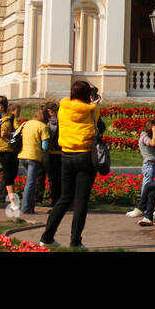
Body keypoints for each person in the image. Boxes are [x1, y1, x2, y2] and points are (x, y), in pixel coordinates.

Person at [39, 81, 105, 248]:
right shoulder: (93, 111)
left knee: (64, 198)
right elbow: (100, 128)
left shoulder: (62, 109)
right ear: (87, 95)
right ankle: (75, 241)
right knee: (81, 200)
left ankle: (46, 237)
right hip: (85, 155)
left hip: (66, 155)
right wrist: (94, 105)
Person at [17, 105, 51, 216]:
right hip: (34, 157)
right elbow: (45, 146)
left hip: (22, 155)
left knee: (30, 182)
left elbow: (15, 135)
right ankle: (26, 208)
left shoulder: (26, 123)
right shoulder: (43, 126)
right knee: (30, 183)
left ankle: (30, 207)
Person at [127, 120, 155, 217]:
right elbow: (152, 143)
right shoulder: (144, 136)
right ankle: (143, 208)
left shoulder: (149, 136)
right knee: (147, 186)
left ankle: (145, 208)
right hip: (148, 165)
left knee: (148, 186)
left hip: (151, 164)